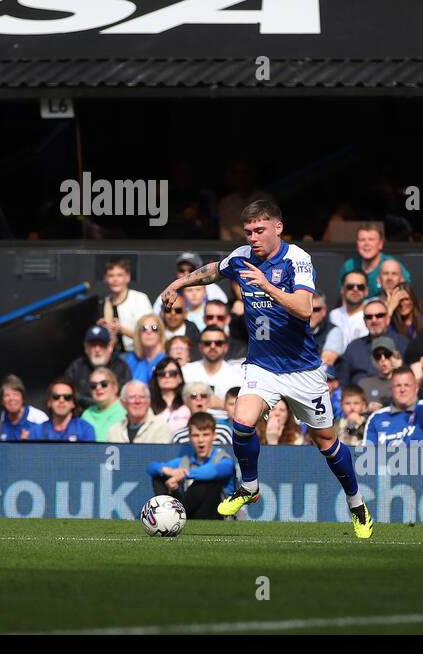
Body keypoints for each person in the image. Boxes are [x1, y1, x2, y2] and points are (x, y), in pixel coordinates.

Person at [158, 199, 374, 536]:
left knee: (326, 442)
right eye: (248, 232)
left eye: (260, 230)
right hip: (263, 365)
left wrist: (266, 286)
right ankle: (249, 487)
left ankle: (356, 505)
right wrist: (177, 285)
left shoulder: (297, 259)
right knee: (242, 422)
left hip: (303, 369)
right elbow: (214, 269)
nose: (254, 237)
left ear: (278, 227)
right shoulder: (242, 257)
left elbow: (304, 309)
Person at [146, 412, 236, 521]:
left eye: (205, 435)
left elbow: (213, 472)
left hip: (218, 515)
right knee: (159, 477)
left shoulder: (224, 459)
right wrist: (169, 471)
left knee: (206, 482)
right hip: (190, 510)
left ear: (214, 435)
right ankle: (165, 518)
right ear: (189, 437)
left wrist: (183, 474)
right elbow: (151, 467)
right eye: (196, 435)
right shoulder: (185, 461)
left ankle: (174, 517)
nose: (200, 440)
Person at [363, 367, 423, 445]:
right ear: (391, 389)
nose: (402, 390)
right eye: (398, 385)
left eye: (407, 385)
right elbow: (367, 455)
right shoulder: (376, 418)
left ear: (416, 388)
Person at [64, 324, 133, 409]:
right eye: (93, 345)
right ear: (86, 348)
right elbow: (67, 394)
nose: (97, 349)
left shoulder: (121, 367)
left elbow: (126, 395)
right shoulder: (76, 368)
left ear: (110, 347)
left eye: (102, 345)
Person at [99, 257, 154, 352]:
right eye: (111, 276)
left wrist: (121, 330)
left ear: (127, 277)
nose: (115, 279)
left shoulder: (139, 299)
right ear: (105, 278)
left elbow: (151, 335)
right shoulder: (103, 302)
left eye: (119, 275)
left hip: (138, 353)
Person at [0, 374, 48, 440]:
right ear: (2, 401)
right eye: (7, 395)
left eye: (15, 394)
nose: (11, 399)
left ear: (23, 398)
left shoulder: (39, 418)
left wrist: (28, 445)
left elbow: (48, 450)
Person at [181, 325, 243, 397]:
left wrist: (220, 404)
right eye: (207, 343)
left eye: (218, 343)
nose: (212, 346)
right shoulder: (186, 372)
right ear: (200, 347)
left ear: (226, 347)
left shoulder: (236, 376)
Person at [107, 379, 174, 442]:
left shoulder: (161, 428)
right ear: (122, 402)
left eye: (142, 397)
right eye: (132, 397)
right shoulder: (114, 431)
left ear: (149, 401)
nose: (137, 401)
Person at [78, 366, 128, 439]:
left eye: (104, 384)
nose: (98, 388)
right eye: (93, 385)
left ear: (115, 387)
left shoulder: (125, 410)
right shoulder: (87, 414)